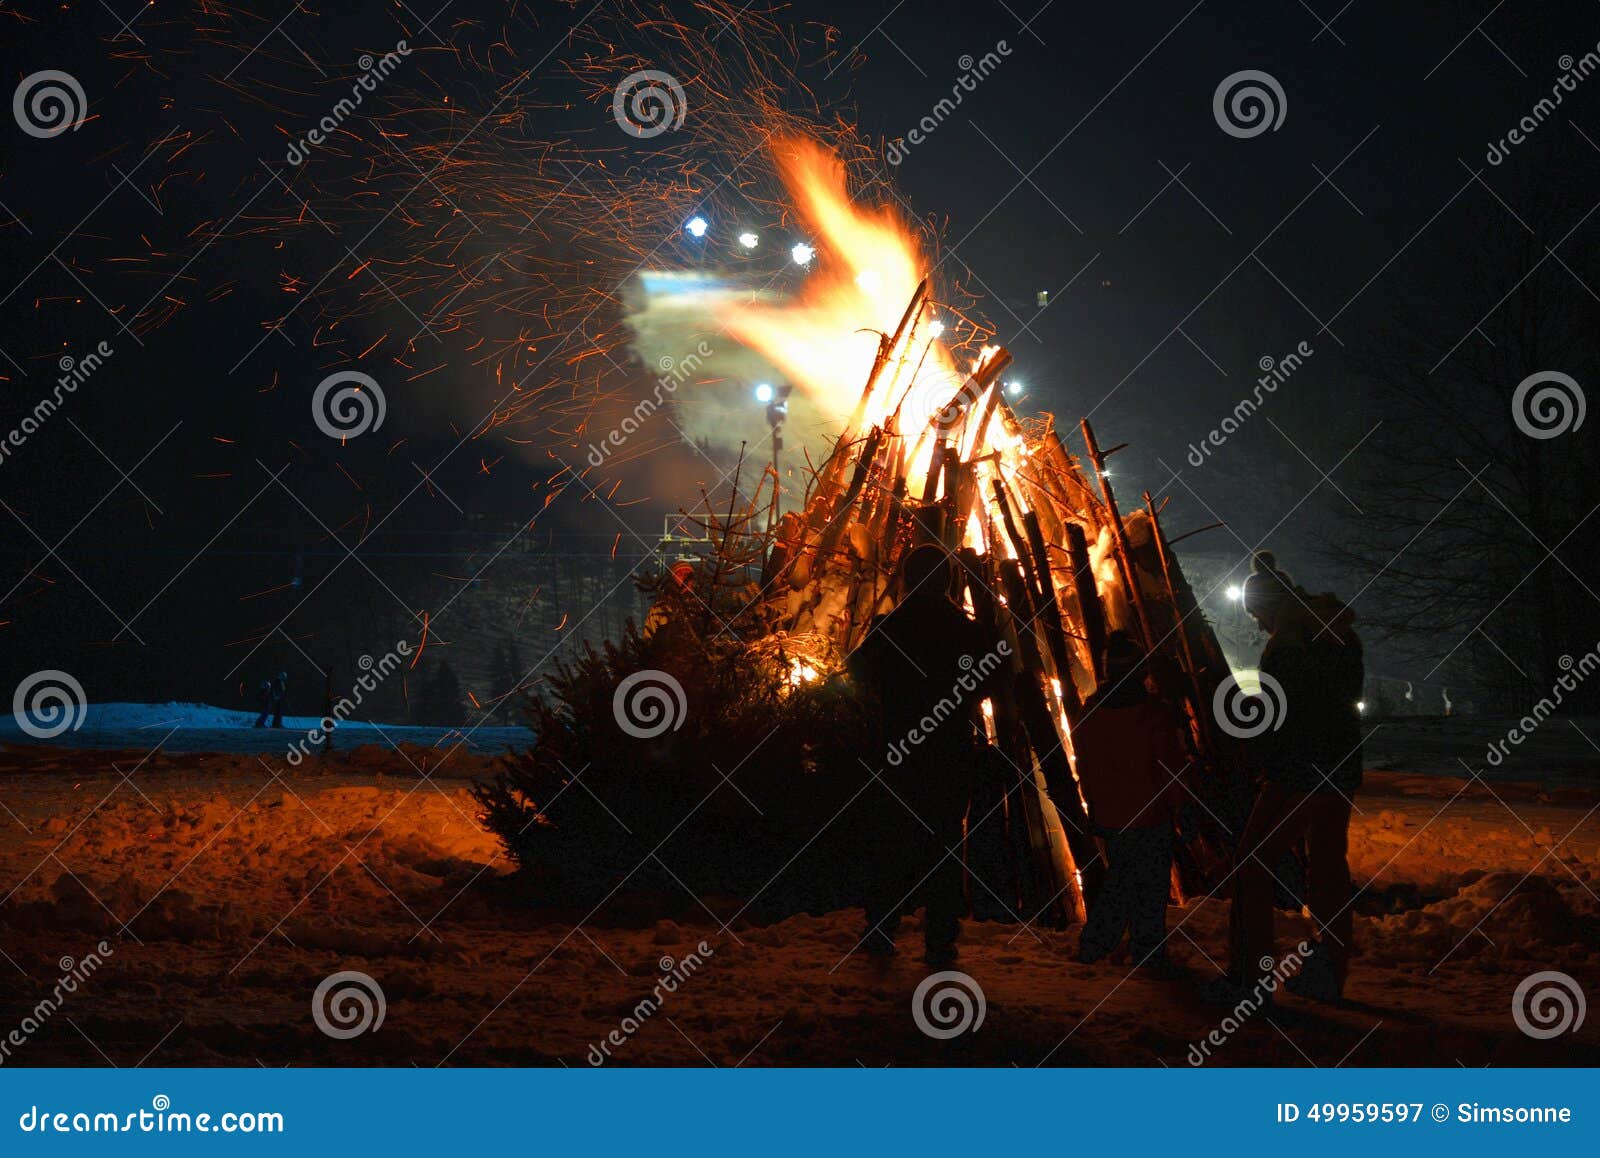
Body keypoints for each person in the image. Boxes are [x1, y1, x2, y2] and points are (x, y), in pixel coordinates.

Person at [846, 542, 999, 967]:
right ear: (948, 582)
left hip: (900, 753)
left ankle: (881, 928)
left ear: (908, 579)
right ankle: (939, 940)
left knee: (893, 840)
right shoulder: (964, 631)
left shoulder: (891, 627)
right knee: (945, 846)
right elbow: (989, 683)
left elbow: (857, 671)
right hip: (948, 755)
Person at [1226, 550, 1364, 1002]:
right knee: (1327, 869)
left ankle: (1252, 978)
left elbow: (1290, 715)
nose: (1256, 625)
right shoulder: (1333, 631)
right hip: (1339, 766)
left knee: (1252, 863)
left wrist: (1266, 753)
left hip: (1304, 771)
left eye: (1256, 614)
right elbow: (1341, 700)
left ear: (1267, 607)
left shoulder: (1289, 644)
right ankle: (1329, 974)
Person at [1070, 631, 1187, 972]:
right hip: (1149, 814)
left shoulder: (1091, 712)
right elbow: (1169, 768)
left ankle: (1096, 944)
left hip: (1111, 815)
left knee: (1120, 879)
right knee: (1149, 886)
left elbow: (1085, 766)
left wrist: (1093, 806)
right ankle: (1145, 950)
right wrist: (1180, 806)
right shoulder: (1152, 714)